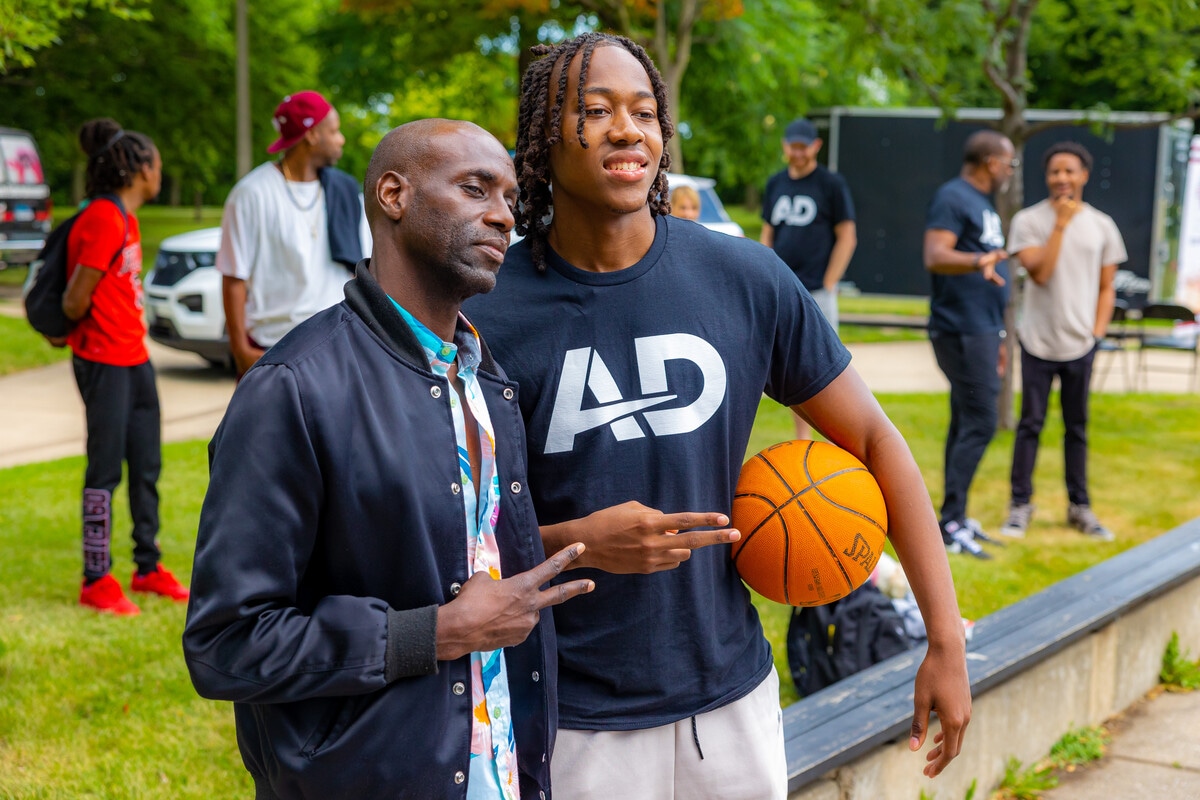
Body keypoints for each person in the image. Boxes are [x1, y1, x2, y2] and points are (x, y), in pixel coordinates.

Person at [463, 32, 971, 798]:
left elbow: (874, 440)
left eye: (644, 112)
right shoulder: (489, 314)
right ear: (541, 136)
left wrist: (945, 639)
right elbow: (455, 532)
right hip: (572, 711)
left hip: (729, 694)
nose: (627, 129)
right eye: (594, 110)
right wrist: (577, 543)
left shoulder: (743, 277)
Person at [183, 119, 595, 798]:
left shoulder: (486, 380)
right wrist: (429, 634)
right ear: (394, 195)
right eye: (475, 188)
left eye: (511, 201)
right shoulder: (295, 389)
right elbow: (226, 644)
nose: (502, 216)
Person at [64, 118, 189, 615]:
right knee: (104, 469)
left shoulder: (126, 218)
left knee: (146, 465)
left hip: (134, 356)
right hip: (103, 360)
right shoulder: (100, 216)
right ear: (139, 168)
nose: (160, 170)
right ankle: (96, 578)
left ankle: (146, 566)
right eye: (156, 162)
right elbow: (75, 300)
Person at [999, 142, 1126, 541]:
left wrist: (1097, 333)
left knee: (1078, 426)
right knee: (1030, 425)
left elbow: (1108, 287)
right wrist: (1059, 225)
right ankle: (1020, 505)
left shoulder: (1102, 225)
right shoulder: (1029, 221)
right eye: (1055, 172)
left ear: (1084, 175)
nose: (1062, 179)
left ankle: (1080, 507)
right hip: (1038, 341)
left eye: (1070, 171)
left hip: (1080, 345)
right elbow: (1039, 273)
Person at [217, 89, 371, 376]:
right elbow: (233, 277)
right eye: (335, 131)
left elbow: (364, 270)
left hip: (337, 344)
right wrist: (240, 351)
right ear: (312, 135)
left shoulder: (346, 191)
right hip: (273, 348)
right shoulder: (251, 194)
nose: (341, 140)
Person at [923, 129, 1016, 560]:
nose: (1011, 171)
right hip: (959, 327)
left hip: (981, 327)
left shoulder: (980, 203)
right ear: (992, 162)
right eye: (1009, 163)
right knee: (981, 417)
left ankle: (953, 517)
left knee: (966, 418)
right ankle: (951, 521)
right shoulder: (954, 197)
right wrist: (978, 259)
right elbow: (936, 254)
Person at [760, 117, 857, 439]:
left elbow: (847, 236)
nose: (798, 153)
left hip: (816, 290)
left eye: (804, 146)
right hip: (779, 289)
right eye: (793, 146)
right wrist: (763, 271)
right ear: (785, 146)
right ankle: (800, 437)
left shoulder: (831, 184)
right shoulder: (776, 184)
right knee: (780, 365)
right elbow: (768, 233)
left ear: (815, 146)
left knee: (820, 366)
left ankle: (822, 437)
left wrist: (829, 282)